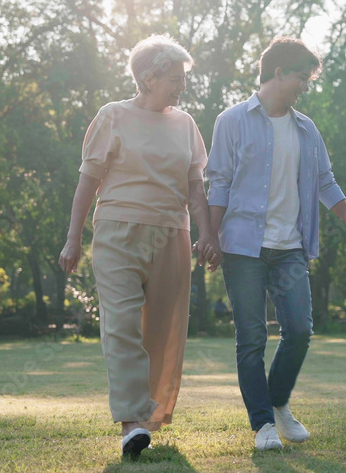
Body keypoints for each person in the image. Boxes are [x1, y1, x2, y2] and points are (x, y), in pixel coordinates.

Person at [205, 37, 346, 451]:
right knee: (252, 337)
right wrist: (209, 235)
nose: (305, 86)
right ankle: (262, 424)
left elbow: (325, 183)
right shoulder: (231, 120)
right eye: (302, 77)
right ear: (278, 72)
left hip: (290, 247)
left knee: (299, 330)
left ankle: (278, 402)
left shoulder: (306, 128)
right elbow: (218, 182)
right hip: (243, 247)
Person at [58, 34, 220, 459]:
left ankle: (149, 418)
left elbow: (195, 190)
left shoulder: (185, 124)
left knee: (163, 331)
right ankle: (131, 420)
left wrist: (207, 234)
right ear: (149, 78)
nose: (182, 85)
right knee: (122, 324)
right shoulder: (113, 116)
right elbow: (87, 182)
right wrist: (73, 237)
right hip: (116, 231)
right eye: (175, 77)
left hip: (173, 234)